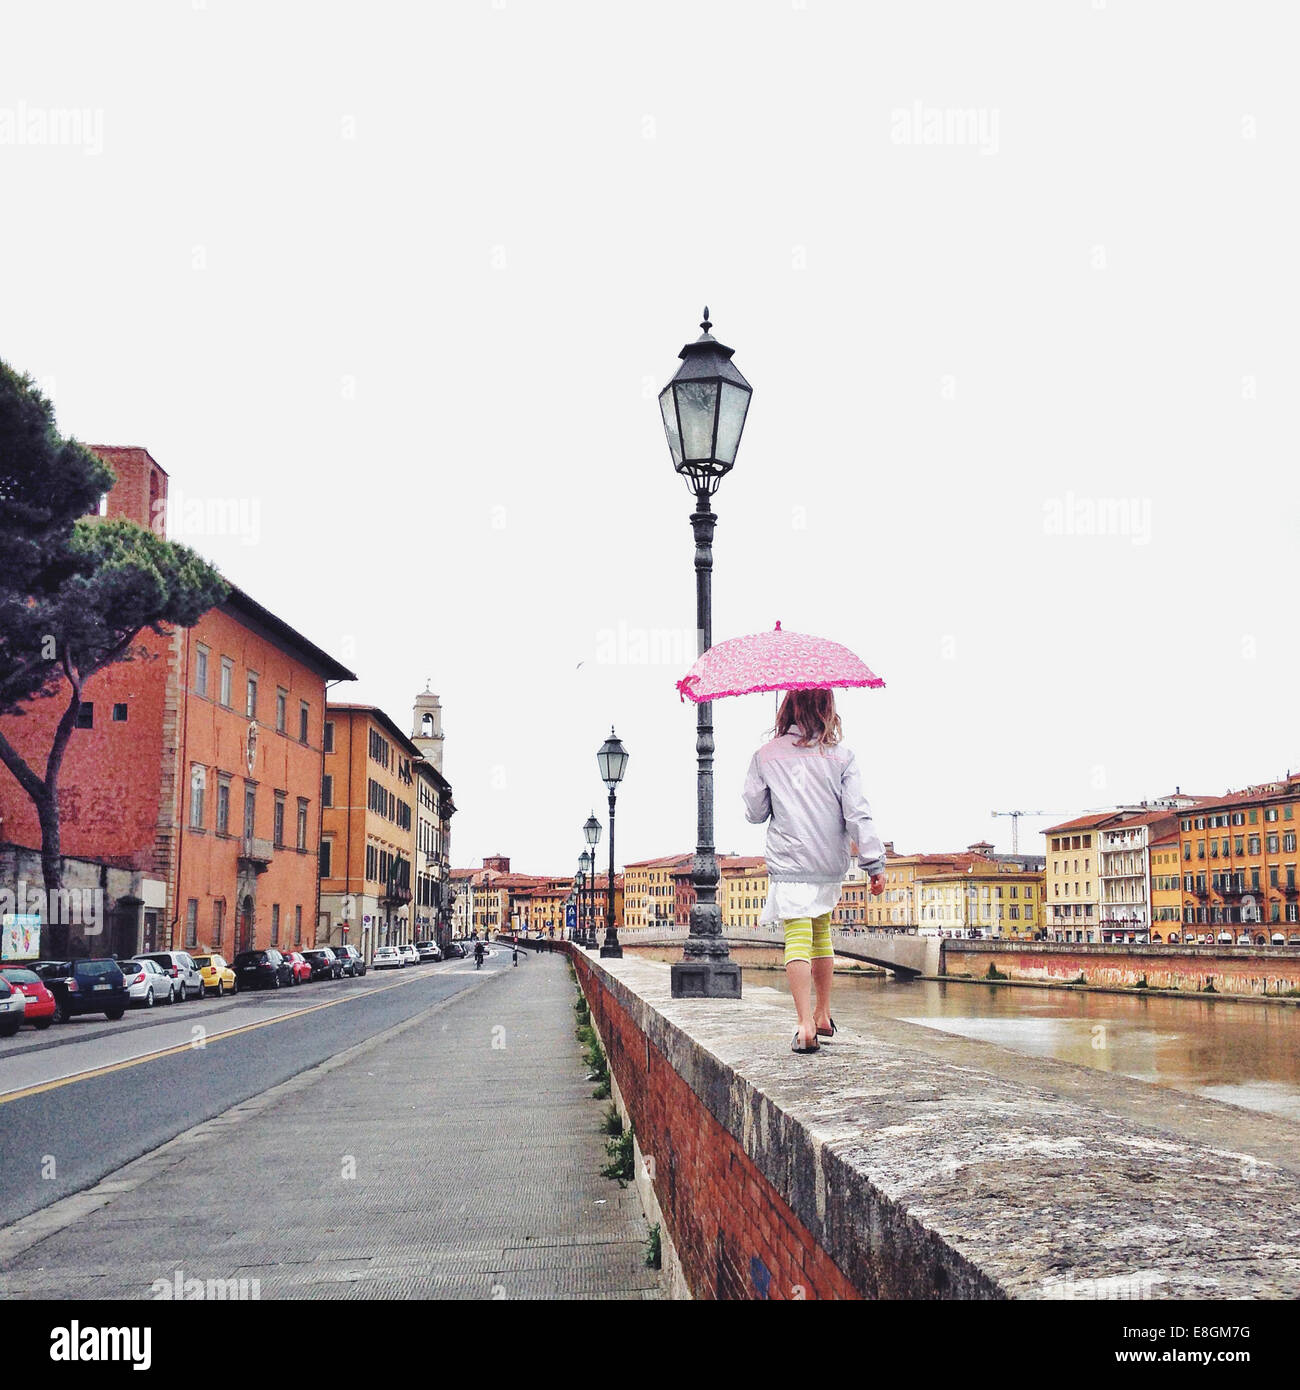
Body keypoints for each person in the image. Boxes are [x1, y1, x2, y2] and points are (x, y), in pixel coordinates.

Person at [743, 689, 887, 1054]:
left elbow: (755, 812)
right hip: (828, 862)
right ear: (827, 710)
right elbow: (858, 815)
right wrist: (873, 863)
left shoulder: (765, 756)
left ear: (787, 708)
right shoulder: (842, 757)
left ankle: (805, 1024)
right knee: (821, 932)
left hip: (790, 861)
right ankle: (823, 1014)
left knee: (797, 936)